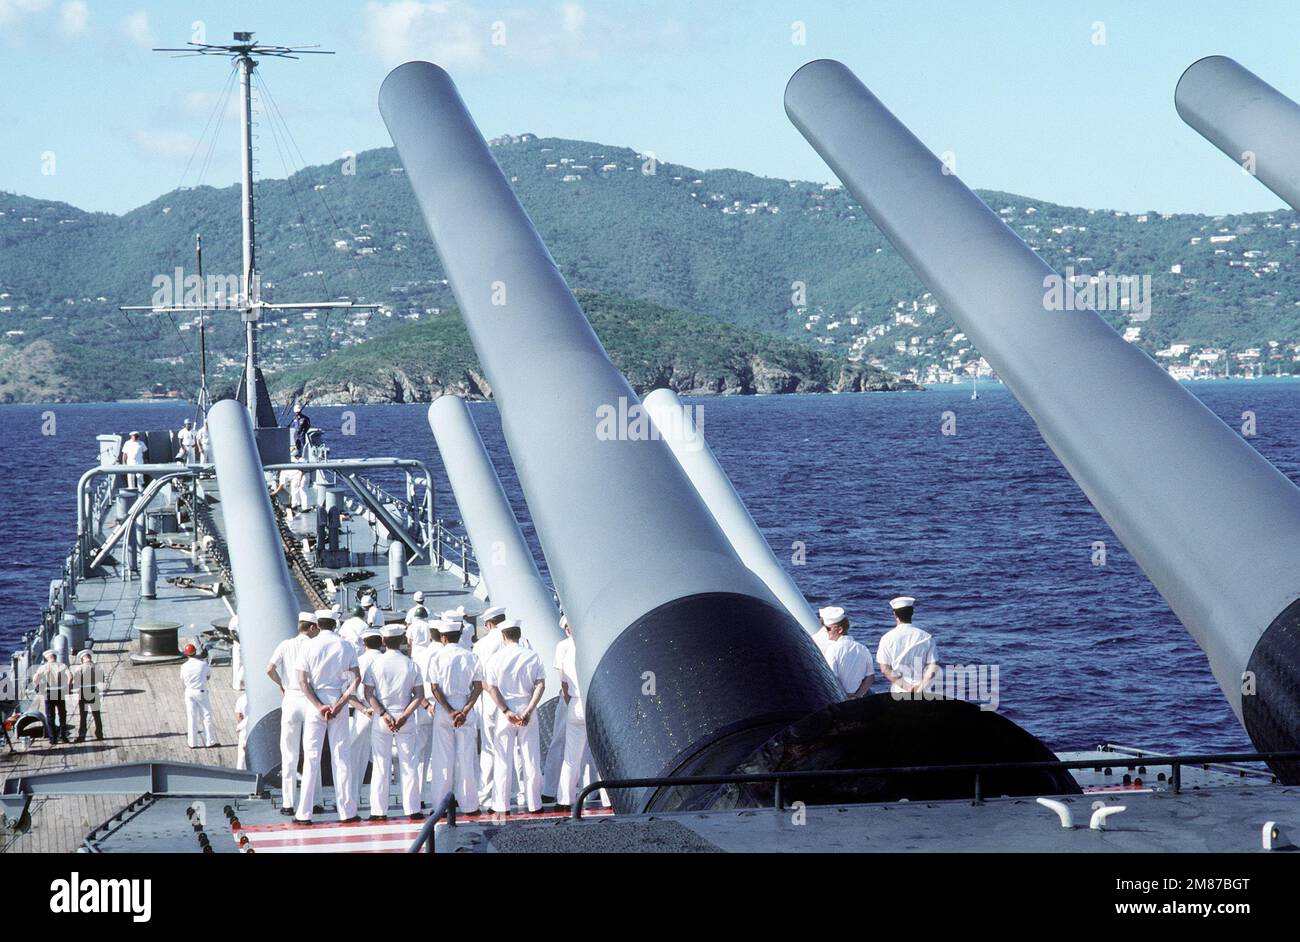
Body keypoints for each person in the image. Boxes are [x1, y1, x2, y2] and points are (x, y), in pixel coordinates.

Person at [296, 609, 360, 824]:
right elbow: (355, 679)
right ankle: (347, 812)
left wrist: (319, 706)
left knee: (311, 758)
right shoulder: (346, 645)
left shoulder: (308, 646)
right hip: (338, 700)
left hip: (315, 702)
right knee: (341, 756)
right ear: (335, 624)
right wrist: (340, 704)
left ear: (318, 624)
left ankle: (304, 813)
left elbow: (303, 682)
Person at [484, 620, 546, 815]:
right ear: (519, 634)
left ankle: (501, 805)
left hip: (506, 711)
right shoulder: (532, 656)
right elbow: (540, 685)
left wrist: (505, 711)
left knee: (503, 758)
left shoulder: (495, 658)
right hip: (527, 707)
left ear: (503, 636)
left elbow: (491, 687)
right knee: (531, 758)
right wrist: (528, 710)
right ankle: (534, 803)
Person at [365, 624, 426, 820]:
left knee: (381, 765)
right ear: (401, 640)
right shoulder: (411, 664)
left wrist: (383, 713)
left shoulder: (375, 664)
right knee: (409, 763)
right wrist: (405, 716)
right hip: (404, 717)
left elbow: (368, 693)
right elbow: (419, 695)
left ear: (383, 641)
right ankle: (412, 809)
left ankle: (378, 811)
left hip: (383, 718)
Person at [425, 617, 483, 815]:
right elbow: (477, 686)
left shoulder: (437, 657)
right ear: (459, 636)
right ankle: (470, 805)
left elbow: (434, 688)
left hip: (444, 709)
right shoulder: (471, 656)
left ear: (443, 637)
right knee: (466, 758)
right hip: (465, 705)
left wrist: (450, 711)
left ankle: (441, 805)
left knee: (442, 758)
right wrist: (465, 710)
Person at [267, 613, 319, 816]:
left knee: (289, 753)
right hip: (310, 699)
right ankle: (315, 800)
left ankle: (288, 803)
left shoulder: (285, 645)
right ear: (313, 627)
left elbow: (269, 668)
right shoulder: (314, 646)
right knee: (312, 751)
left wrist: (281, 684)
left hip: (290, 698)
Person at [472, 605, 508, 810]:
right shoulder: (520, 639)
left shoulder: (481, 645)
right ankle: (521, 794)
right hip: (514, 699)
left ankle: (486, 795)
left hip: (489, 699)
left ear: (488, 624)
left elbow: (478, 677)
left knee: (489, 748)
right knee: (518, 749)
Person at [877, 596, 940, 697]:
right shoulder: (927, 637)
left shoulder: (886, 638)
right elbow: (933, 668)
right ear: (912, 612)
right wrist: (920, 688)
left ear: (894, 614)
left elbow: (885, 669)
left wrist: (907, 687)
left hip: (898, 692)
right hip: (924, 693)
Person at [349, 626, 384, 804]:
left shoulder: (358, 662)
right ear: (382, 643)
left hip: (363, 712)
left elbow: (349, 693)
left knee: (355, 758)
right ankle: (379, 802)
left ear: (364, 644)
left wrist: (363, 709)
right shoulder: (386, 661)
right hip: (385, 714)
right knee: (383, 760)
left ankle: (352, 798)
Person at [816, 607, 874, 699]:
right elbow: (870, 677)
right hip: (857, 699)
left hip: (839, 699)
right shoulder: (863, 649)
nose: (826, 631)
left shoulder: (833, 650)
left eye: (828, 628)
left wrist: (843, 696)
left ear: (839, 630)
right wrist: (857, 695)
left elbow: (831, 679)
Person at [180, 642, 217, 749]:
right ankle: (209, 741)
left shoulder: (183, 666)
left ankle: (192, 743)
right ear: (195, 652)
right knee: (206, 716)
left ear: (186, 654)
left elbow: (182, 678)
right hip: (201, 692)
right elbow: (208, 675)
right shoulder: (203, 664)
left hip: (189, 692)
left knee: (191, 717)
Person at [33, 651, 70, 746]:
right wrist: (68, 687)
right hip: (60, 691)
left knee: (50, 716)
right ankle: (64, 736)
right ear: (55, 657)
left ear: (47, 658)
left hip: (48, 692)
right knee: (62, 714)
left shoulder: (43, 667)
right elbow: (70, 676)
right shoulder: (62, 665)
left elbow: (35, 678)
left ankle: (53, 739)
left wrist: (37, 687)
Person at [69, 650, 104, 742]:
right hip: (94, 690)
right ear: (90, 657)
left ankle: (82, 735)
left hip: (83, 691)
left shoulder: (80, 668)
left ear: (82, 658)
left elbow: (76, 682)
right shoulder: (97, 667)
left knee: (83, 715)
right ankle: (99, 734)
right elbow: (102, 680)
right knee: (96, 714)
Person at [234, 680, 248, 771]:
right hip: (256, 728)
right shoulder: (258, 699)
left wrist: (241, 725)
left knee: (242, 755)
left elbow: (238, 715)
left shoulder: (241, 699)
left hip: (244, 729)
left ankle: (240, 773)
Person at [229, 614, 244, 691]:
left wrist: (239, 641)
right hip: (241, 644)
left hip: (239, 644)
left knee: (238, 664)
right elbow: (232, 632)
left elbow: (231, 632)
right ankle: (238, 684)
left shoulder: (234, 619)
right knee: (240, 665)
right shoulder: (245, 618)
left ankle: (238, 684)